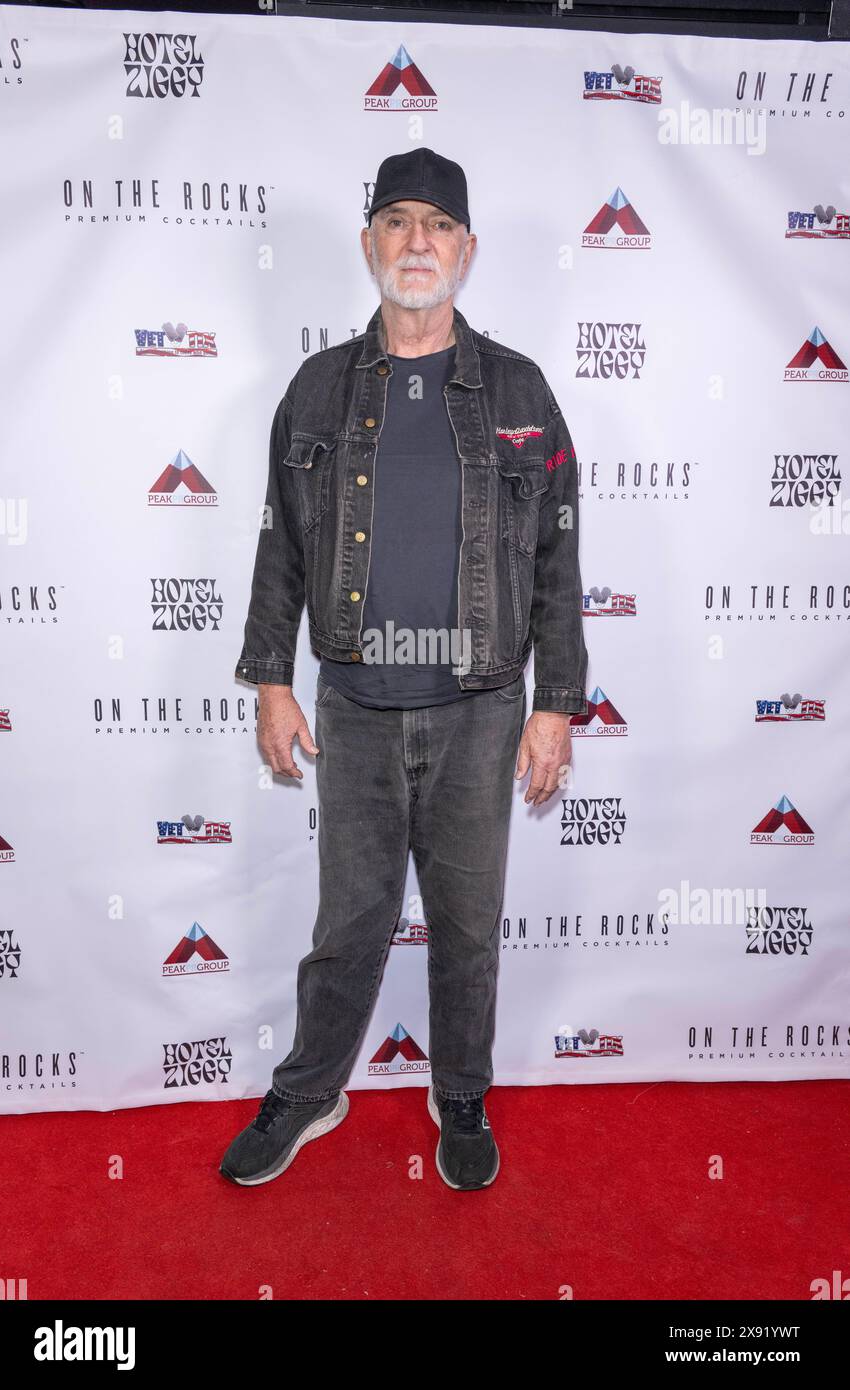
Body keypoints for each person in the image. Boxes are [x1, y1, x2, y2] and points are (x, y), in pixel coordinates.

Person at [221, 148, 588, 1191]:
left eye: (436, 224)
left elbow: (559, 555)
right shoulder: (316, 389)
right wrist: (272, 679)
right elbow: (280, 546)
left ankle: (458, 1091)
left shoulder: (518, 389)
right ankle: (310, 1089)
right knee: (346, 925)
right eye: (396, 221)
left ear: (465, 251)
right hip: (357, 708)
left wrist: (554, 702)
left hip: (480, 712)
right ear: (369, 242)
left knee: (467, 929)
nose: (415, 241)